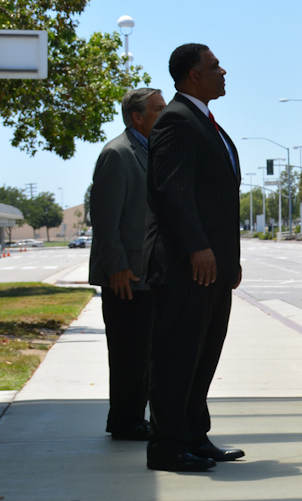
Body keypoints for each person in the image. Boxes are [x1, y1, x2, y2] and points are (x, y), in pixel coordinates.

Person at [143, 44, 244, 473]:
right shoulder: (176, 121)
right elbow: (173, 192)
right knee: (177, 356)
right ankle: (167, 444)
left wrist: (228, 257)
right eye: (214, 66)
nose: (223, 71)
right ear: (193, 76)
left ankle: (193, 435)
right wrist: (197, 248)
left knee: (203, 355)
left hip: (215, 267)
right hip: (189, 268)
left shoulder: (203, 121)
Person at [88, 86, 166, 441]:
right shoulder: (117, 154)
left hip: (148, 273)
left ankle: (134, 416)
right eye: (158, 109)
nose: (165, 114)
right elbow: (105, 220)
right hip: (126, 275)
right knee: (128, 352)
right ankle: (125, 420)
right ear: (138, 116)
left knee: (145, 351)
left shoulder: (151, 151)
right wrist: (117, 266)